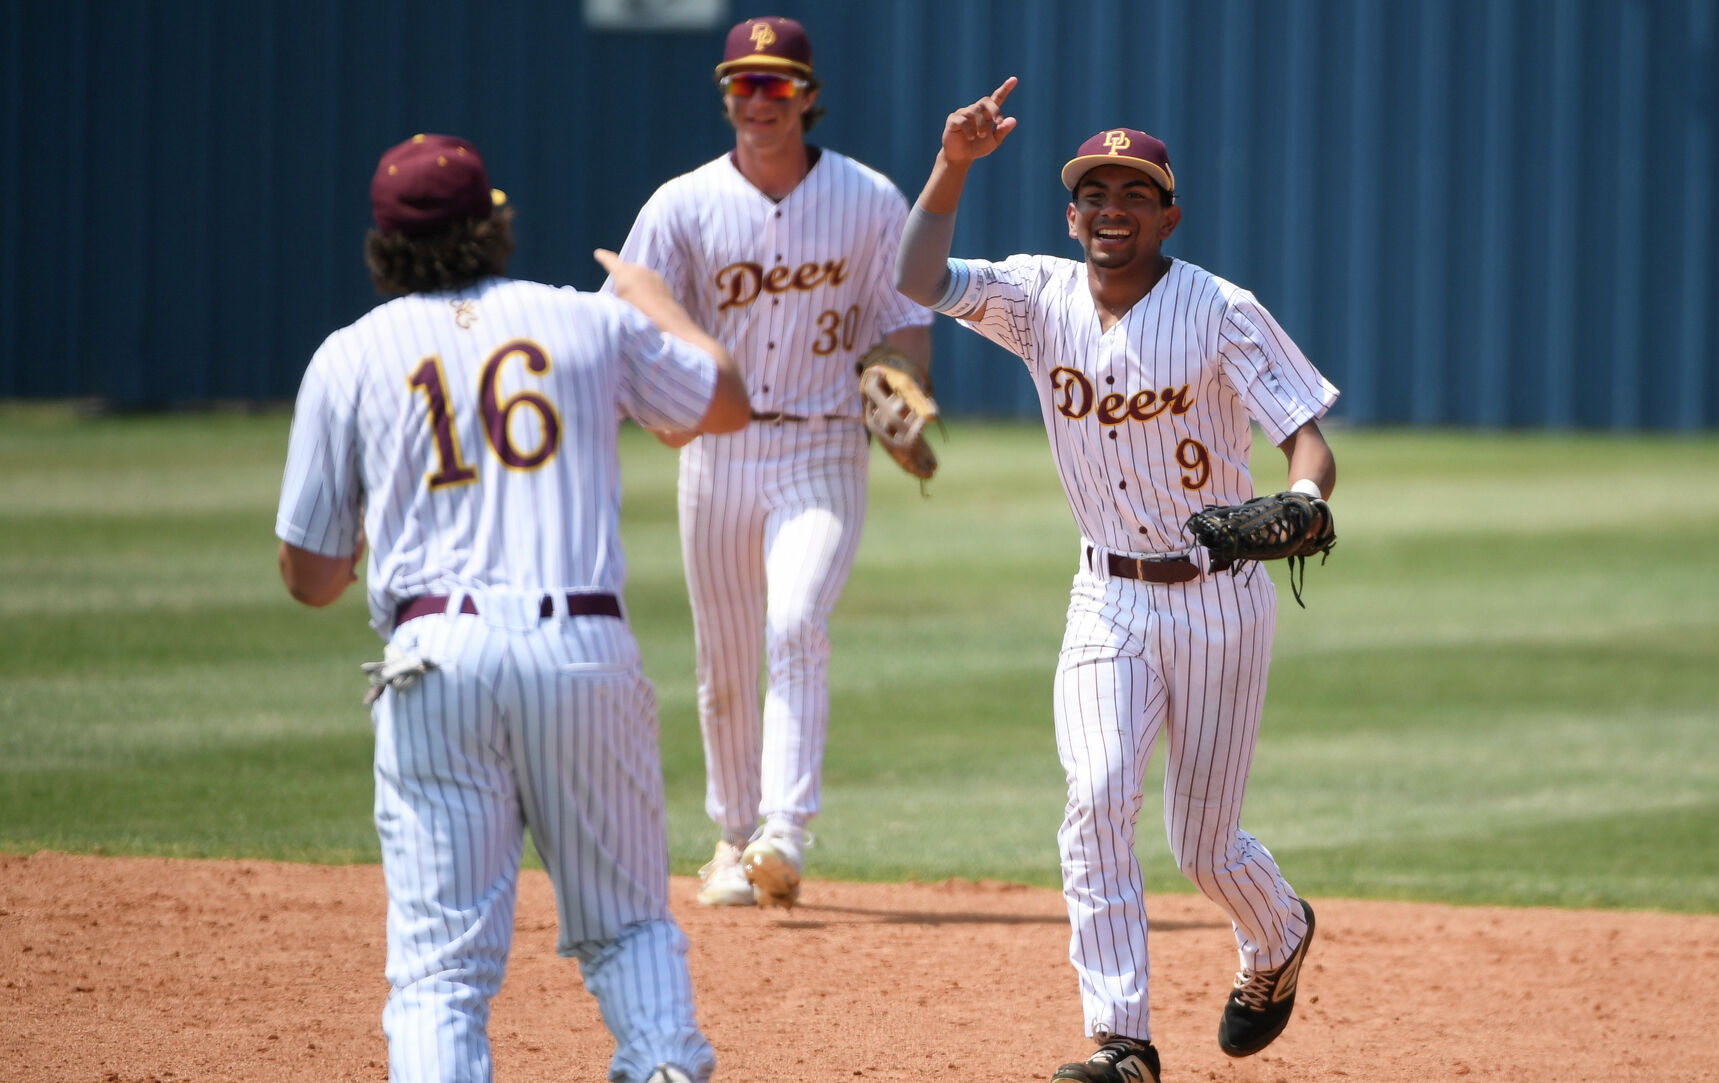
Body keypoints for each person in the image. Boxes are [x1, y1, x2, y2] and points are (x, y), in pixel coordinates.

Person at [275, 132, 750, 1083]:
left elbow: (312, 577)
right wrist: (660, 302)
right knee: (625, 922)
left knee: (440, 971)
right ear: (493, 225)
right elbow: (725, 404)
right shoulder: (584, 321)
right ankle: (662, 1065)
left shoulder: (348, 356)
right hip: (583, 645)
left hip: (434, 654)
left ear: (384, 242)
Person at [894, 80, 1338, 1083]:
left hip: (1219, 596)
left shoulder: (1220, 310)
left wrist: (1304, 500)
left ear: (1167, 214)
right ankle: (1120, 1041)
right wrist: (953, 162)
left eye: (1132, 194)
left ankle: (1276, 936)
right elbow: (918, 277)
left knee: (1203, 845)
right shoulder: (1034, 296)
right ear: (1070, 214)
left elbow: (1303, 439)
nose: (1110, 210)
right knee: (1094, 800)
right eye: (1093, 194)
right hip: (1106, 596)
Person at [605, 14, 935, 909]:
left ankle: (784, 832)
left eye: (777, 84)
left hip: (824, 439)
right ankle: (731, 835)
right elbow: (624, 314)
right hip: (718, 446)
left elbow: (904, 315)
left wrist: (901, 391)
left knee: (794, 620)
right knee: (723, 655)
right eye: (743, 86)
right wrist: (653, 409)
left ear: (808, 96)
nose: (759, 101)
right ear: (725, 97)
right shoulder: (682, 204)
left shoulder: (868, 198)